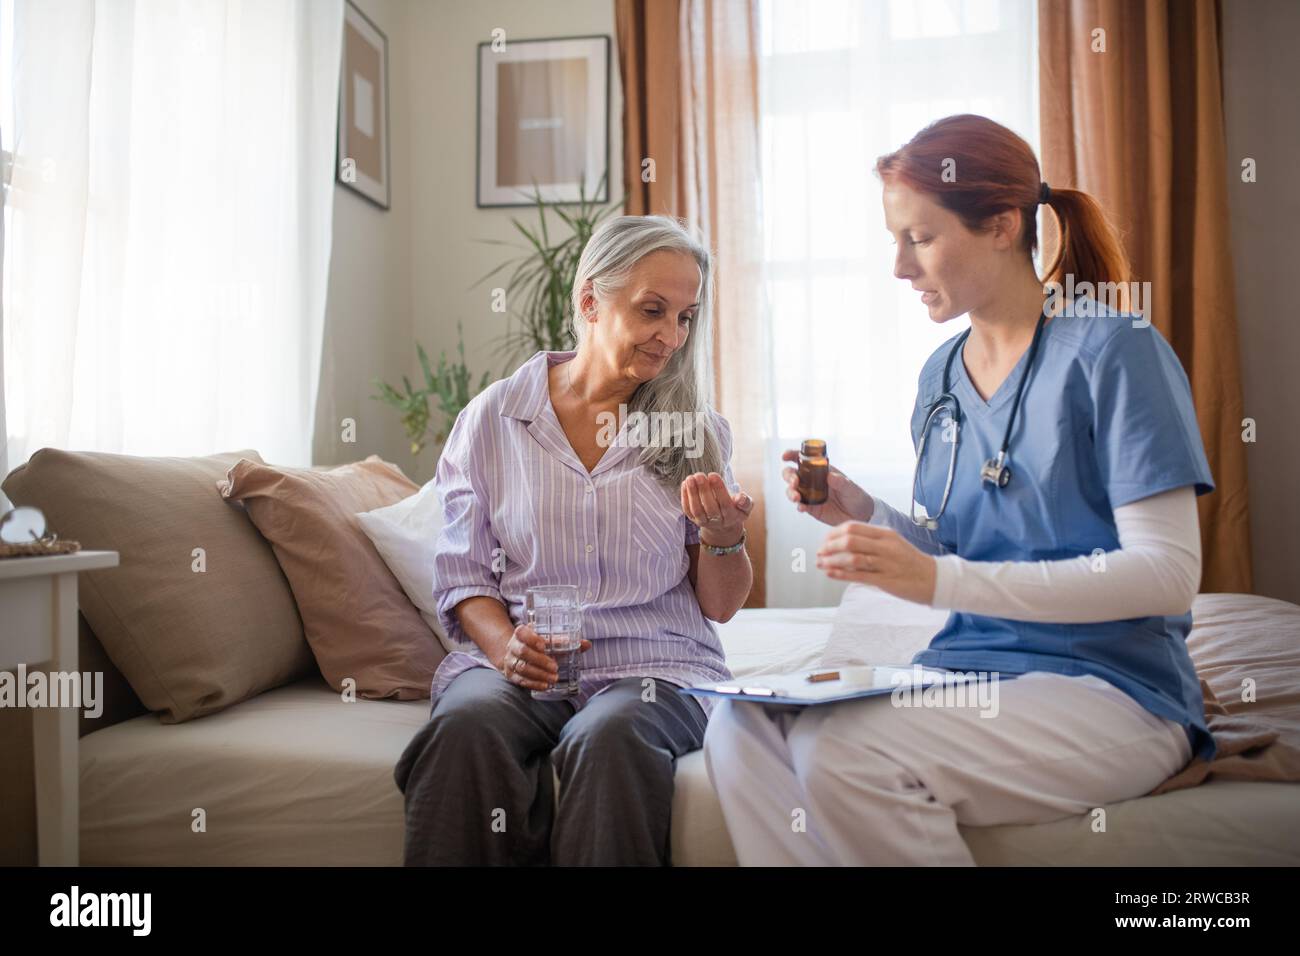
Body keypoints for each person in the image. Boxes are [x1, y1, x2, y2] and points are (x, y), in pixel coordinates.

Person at [703, 113, 1216, 866]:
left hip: (1109, 689)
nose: (901, 269)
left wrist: (938, 576)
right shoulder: (941, 376)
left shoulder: (1114, 352)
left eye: (921, 238)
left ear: (1004, 226)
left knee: (847, 756)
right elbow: (958, 550)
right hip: (968, 672)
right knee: (739, 728)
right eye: (895, 242)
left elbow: (1170, 575)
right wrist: (867, 514)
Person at [395, 215, 754, 866]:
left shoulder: (694, 433)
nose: (672, 336)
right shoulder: (492, 421)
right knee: (466, 728)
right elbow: (463, 577)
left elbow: (722, 606)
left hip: (656, 669)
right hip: (520, 670)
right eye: (654, 310)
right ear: (590, 300)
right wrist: (506, 650)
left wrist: (724, 538)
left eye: (685, 317)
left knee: (612, 736)